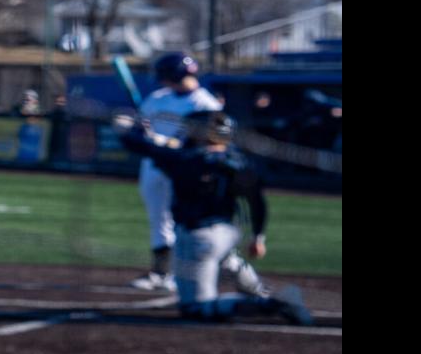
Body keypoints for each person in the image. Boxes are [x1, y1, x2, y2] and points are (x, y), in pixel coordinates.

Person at [116, 111, 313, 326]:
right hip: (227, 233)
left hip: (197, 239)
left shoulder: (187, 159)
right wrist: (258, 237)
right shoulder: (238, 160)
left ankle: (273, 303)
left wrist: (132, 129)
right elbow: (257, 201)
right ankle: (258, 289)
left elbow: (140, 146)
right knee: (226, 260)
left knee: (195, 309)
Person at [129, 53, 223, 292]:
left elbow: (211, 142)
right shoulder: (157, 98)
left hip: (186, 171)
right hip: (154, 166)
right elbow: (138, 129)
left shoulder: (205, 104)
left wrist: (172, 145)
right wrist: (144, 135)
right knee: (158, 219)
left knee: (187, 220)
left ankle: (193, 271)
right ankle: (161, 272)